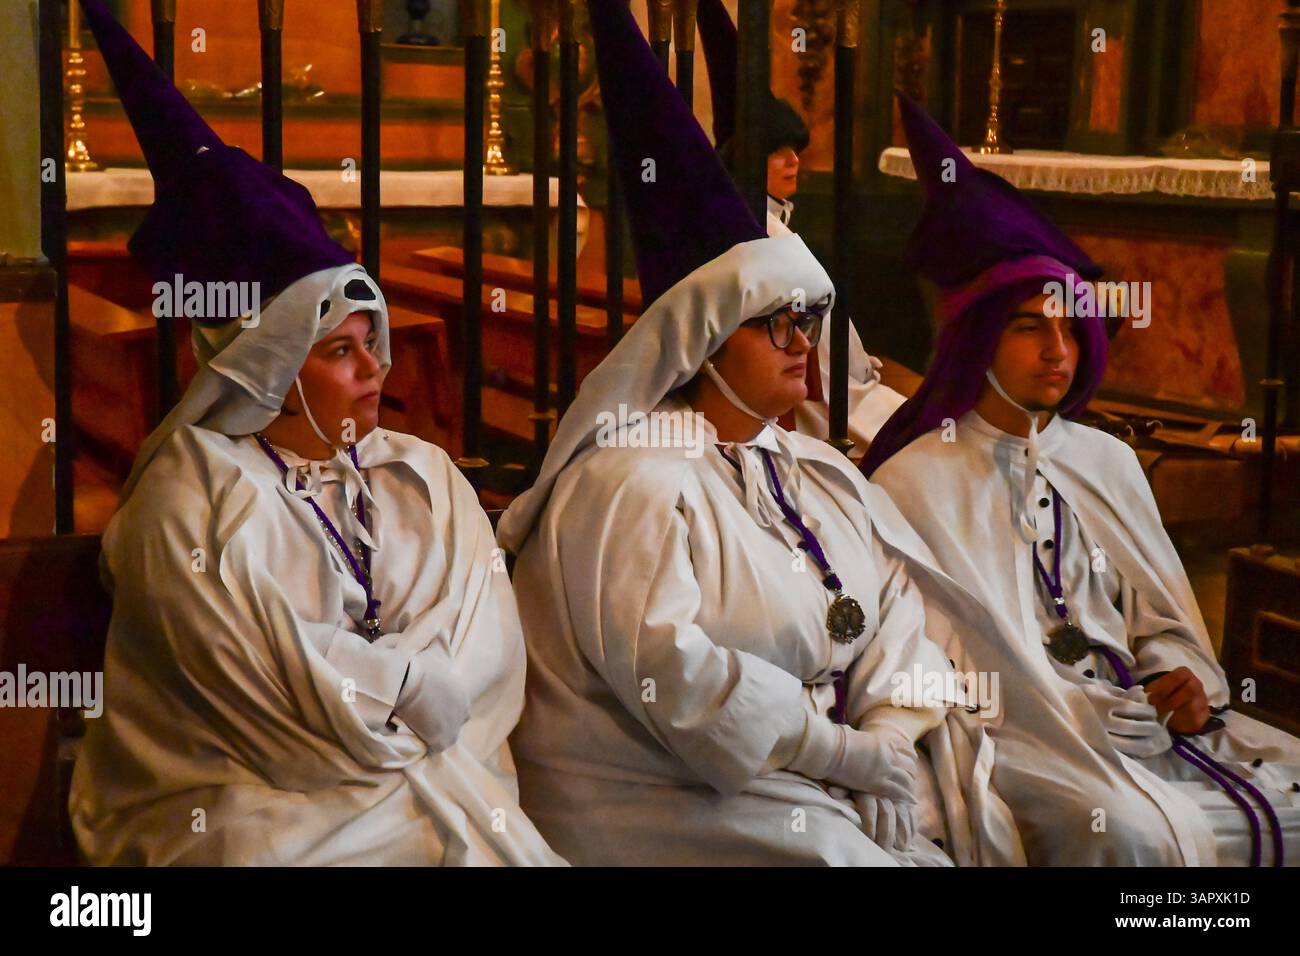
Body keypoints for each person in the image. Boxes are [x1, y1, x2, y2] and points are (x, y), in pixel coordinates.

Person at [494, 0, 1003, 866]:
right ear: (698, 339)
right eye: (777, 324)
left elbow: (895, 612)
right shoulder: (629, 480)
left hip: (817, 766)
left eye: (808, 318)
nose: (805, 342)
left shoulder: (809, 466)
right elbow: (669, 670)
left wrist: (885, 733)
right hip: (665, 787)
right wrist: (834, 754)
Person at [68, 0, 563, 867]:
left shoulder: (423, 472)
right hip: (258, 808)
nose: (378, 370)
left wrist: (391, 695)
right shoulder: (192, 500)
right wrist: (408, 686)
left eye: (374, 342)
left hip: (437, 787)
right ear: (266, 367)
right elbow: (264, 713)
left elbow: (487, 655)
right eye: (341, 350)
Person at [863, 94, 1300, 866]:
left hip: (1153, 729)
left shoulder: (1107, 462)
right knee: (1128, 839)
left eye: (1072, 325)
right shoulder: (914, 482)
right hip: (1027, 737)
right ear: (978, 338)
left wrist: (1184, 679)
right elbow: (934, 665)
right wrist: (1069, 710)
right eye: (1031, 326)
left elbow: (1167, 627)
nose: (1059, 349)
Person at [695, 0, 906, 457]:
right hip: (813, 406)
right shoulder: (765, 236)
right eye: (776, 152)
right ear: (743, 160)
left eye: (795, 149)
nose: (794, 161)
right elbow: (822, 377)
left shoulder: (779, 226)